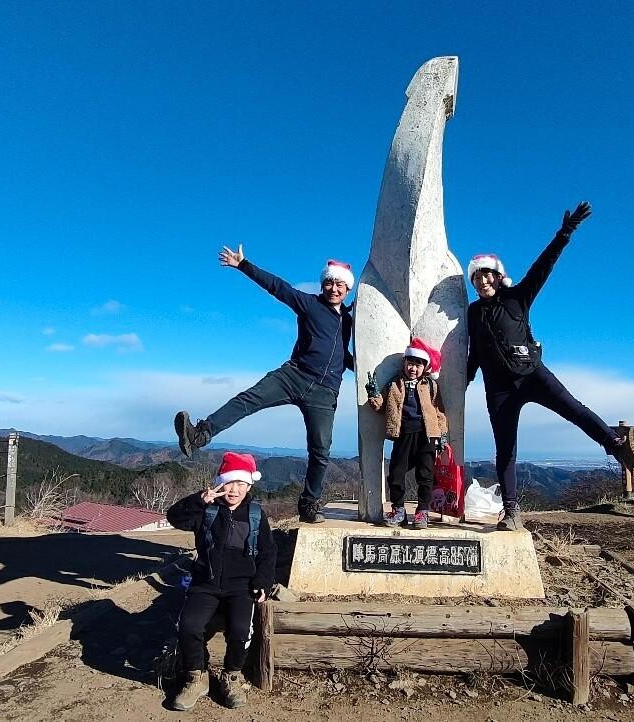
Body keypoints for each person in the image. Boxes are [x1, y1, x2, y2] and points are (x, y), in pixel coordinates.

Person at [466, 201, 633, 531]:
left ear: (498, 277)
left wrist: (565, 233)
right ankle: (511, 512)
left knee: (574, 408)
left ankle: (616, 446)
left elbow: (543, 267)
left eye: (487, 274)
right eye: (476, 277)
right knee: (505, 450)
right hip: (498, 388)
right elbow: (474, 354)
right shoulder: (472, 313)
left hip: (532, 374)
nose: (482, 280)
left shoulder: (517, 298)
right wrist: (462, 382)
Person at [174, 245, 355, 523]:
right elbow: (278, 287)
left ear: (348, 289)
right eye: (330, 282)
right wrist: (244, 265)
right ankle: (199, 435)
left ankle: (309, 504)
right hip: (294, 375)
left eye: (340, 284)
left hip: (325, 391)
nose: (334, 288)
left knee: (321, 450)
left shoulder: (350, 321)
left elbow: (344, 354)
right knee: (248, 400)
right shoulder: (310, 304)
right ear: (323, 284)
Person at [166, 452, 276, 711]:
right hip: (205, 582)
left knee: (240, 630)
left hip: (242, 586)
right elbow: (174, 517)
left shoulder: (256, 515)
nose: (234, 489)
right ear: (220, 483)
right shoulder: (207, 511)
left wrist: (262, 581)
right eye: (229, 482)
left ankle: (232, 676)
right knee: (189, 625)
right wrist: (198, 501)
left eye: (240, 483)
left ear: (249, 485)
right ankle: (196, 676)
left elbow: (268, 552)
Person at [366, 338, 448, 529]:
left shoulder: (431, 386)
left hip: (427, 435)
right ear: (404, 363)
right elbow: (381, 406)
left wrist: (442, 435)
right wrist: (373, 394)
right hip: (402, 434)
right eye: (410, 363)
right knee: (396, 472)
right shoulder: (394, 384)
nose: (413, 368)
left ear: (425, 367)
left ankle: (422, 512)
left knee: (425, 474)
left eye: (418, 365)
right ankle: (399, 510)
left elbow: (439, 412)